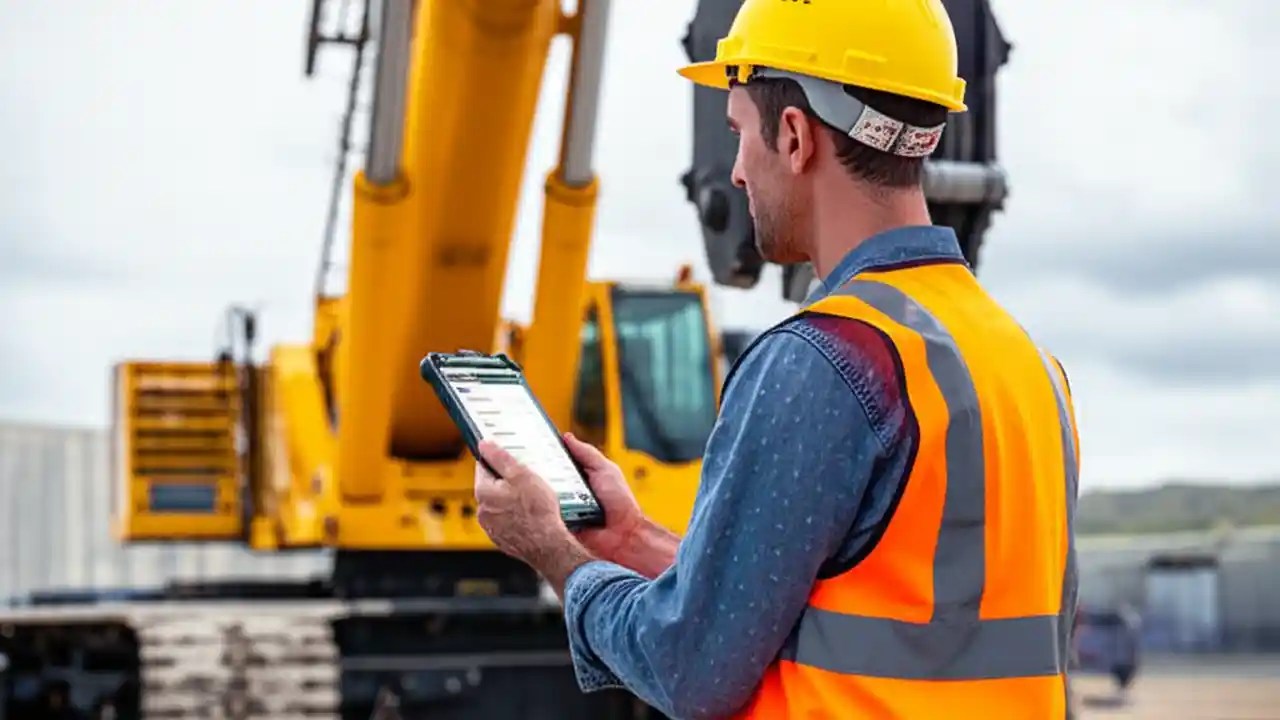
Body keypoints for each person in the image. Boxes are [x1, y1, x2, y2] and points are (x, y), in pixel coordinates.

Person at [471, 0, 1081, 718]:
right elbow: (872, 621)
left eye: (738, 133)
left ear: (794, 136)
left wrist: (555, 553)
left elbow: (686, 665)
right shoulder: (1025, 364)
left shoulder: (822, 361)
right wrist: (631, 538)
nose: (734, 171)